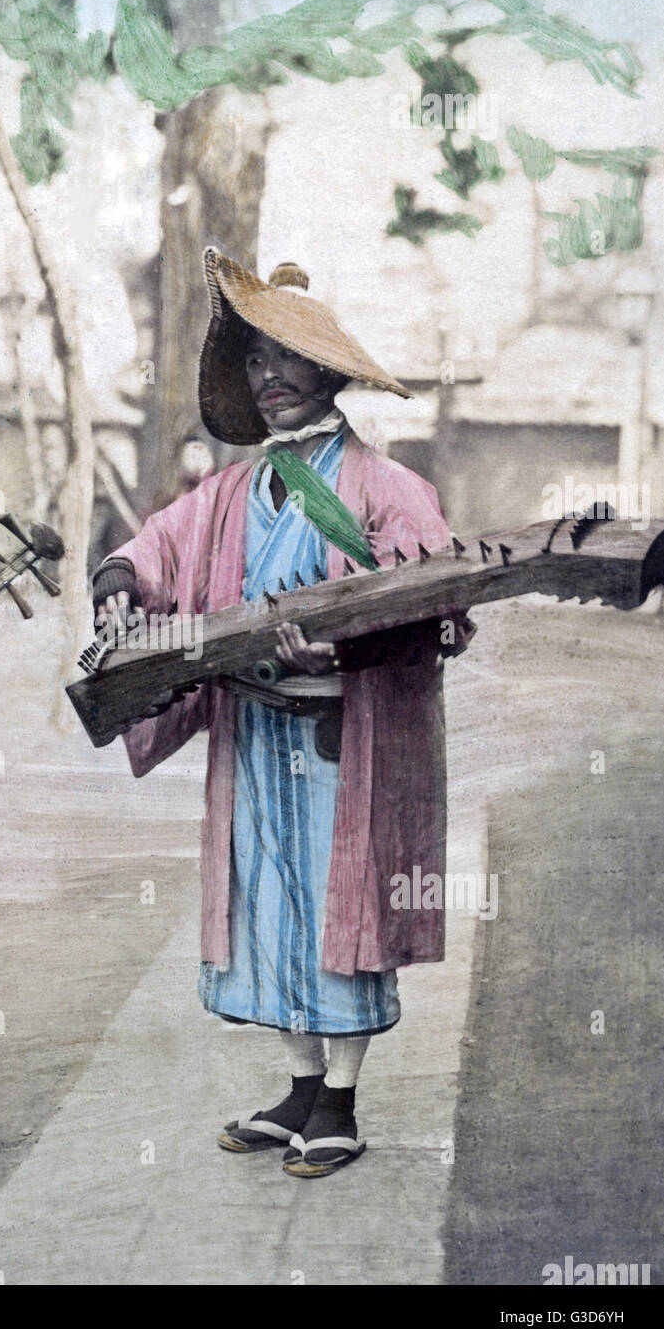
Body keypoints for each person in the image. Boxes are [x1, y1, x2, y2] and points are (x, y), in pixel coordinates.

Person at [92, 250, 473, 1178]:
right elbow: (150, 552)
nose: (267, 380)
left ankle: (339, 1101)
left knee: (342, 909)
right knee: (266, 903)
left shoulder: (387, 487)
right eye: (254, 362)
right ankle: (297, 1086)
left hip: (346, 737)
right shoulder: (225, 493)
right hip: (252, 729)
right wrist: (116, 588)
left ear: (329, 372)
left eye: (285, 360)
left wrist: (344, 646)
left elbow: (437, 615)